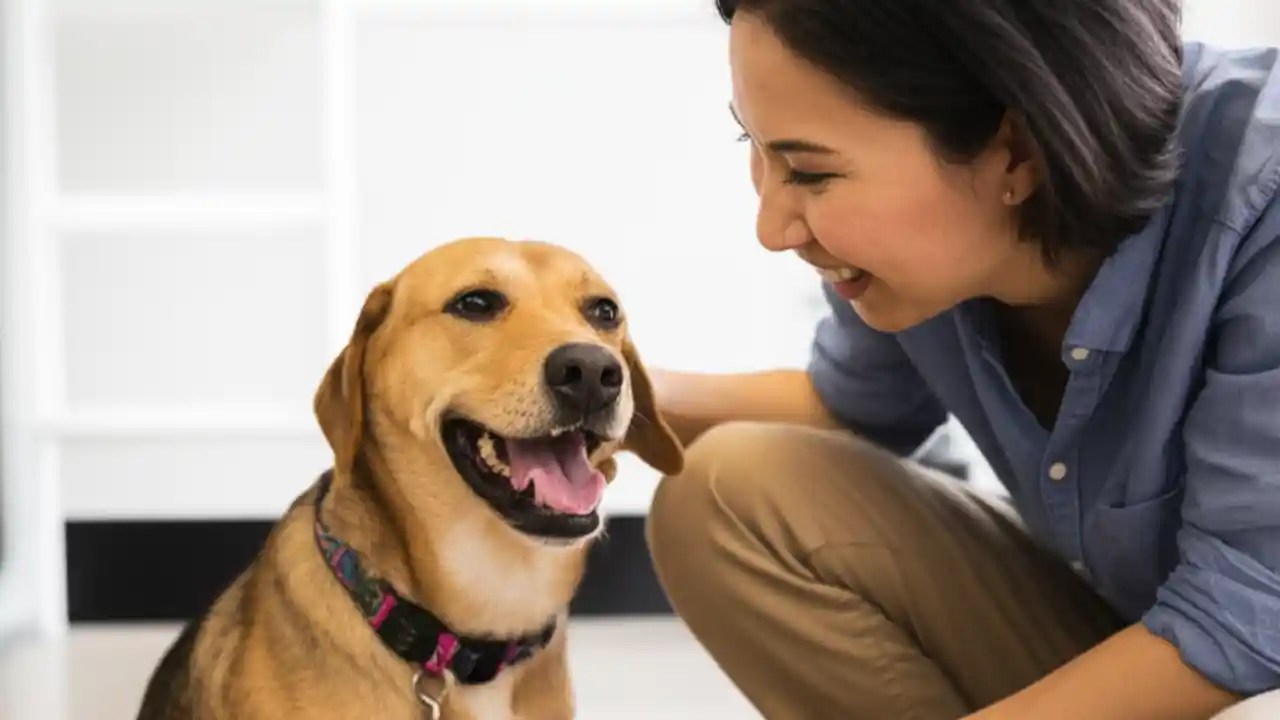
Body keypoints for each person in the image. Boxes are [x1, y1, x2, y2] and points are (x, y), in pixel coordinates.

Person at [644, 1, 1280, 718]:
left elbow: (1251, 612)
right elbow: (851, 408)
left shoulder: (1264, 199)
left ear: (1018, 153)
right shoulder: (926, 265)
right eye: (753, 150)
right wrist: (595, 393)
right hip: (1145, 629)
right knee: (732, 490)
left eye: (810, 173)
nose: (772, 227)